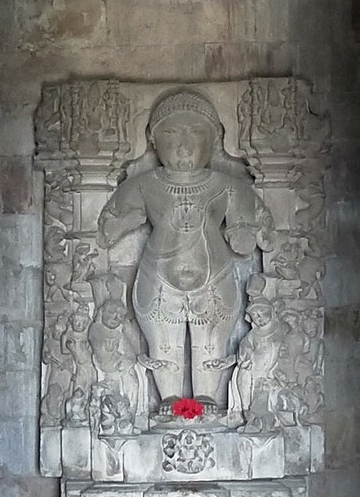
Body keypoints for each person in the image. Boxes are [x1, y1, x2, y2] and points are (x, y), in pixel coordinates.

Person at [98, 89, 269, 418]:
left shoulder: (228, 186)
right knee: (163, 347)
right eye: (171, 133)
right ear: (152, 139)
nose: (184, 145)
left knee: (210, 345)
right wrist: (124, 221)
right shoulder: (144, 184)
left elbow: (249, 237)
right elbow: (108, 229)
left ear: (216, 137)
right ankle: (170, 400)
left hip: (214, 278)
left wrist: (245, 229)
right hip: (158, 277)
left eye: (196, 133)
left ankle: (205, 399)